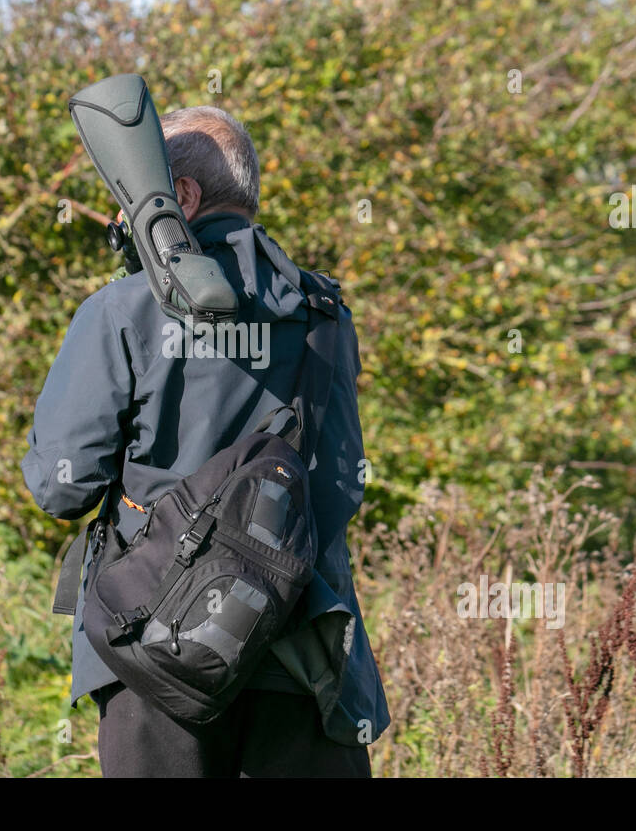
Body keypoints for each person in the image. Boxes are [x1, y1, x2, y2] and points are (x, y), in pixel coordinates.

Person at [21, 105, 389, 777]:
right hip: (302, 655)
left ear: (180, 197)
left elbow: (59, 486)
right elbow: (342, 487)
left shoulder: (120, 310)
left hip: (153, 657)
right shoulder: (324, 312)